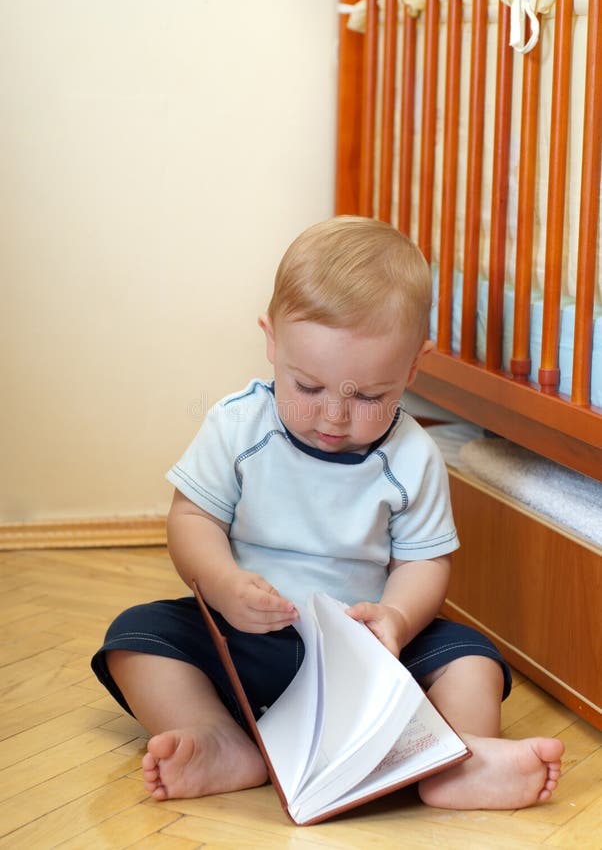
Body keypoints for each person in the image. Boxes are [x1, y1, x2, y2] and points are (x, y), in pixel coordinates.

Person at [91, 216, 563, 811]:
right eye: (307, 387)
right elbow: (192, 520)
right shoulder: (238, 427)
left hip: (367, 659)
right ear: (271, 341)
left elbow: (425, 563)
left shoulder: (411, 456)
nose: (335, 418)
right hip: (246, 643)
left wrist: (395, 617)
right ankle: (219, 738)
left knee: (471, 657)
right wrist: (223, 584)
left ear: (415, 367)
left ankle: (457, 758)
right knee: (138, 637)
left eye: (369, 397)